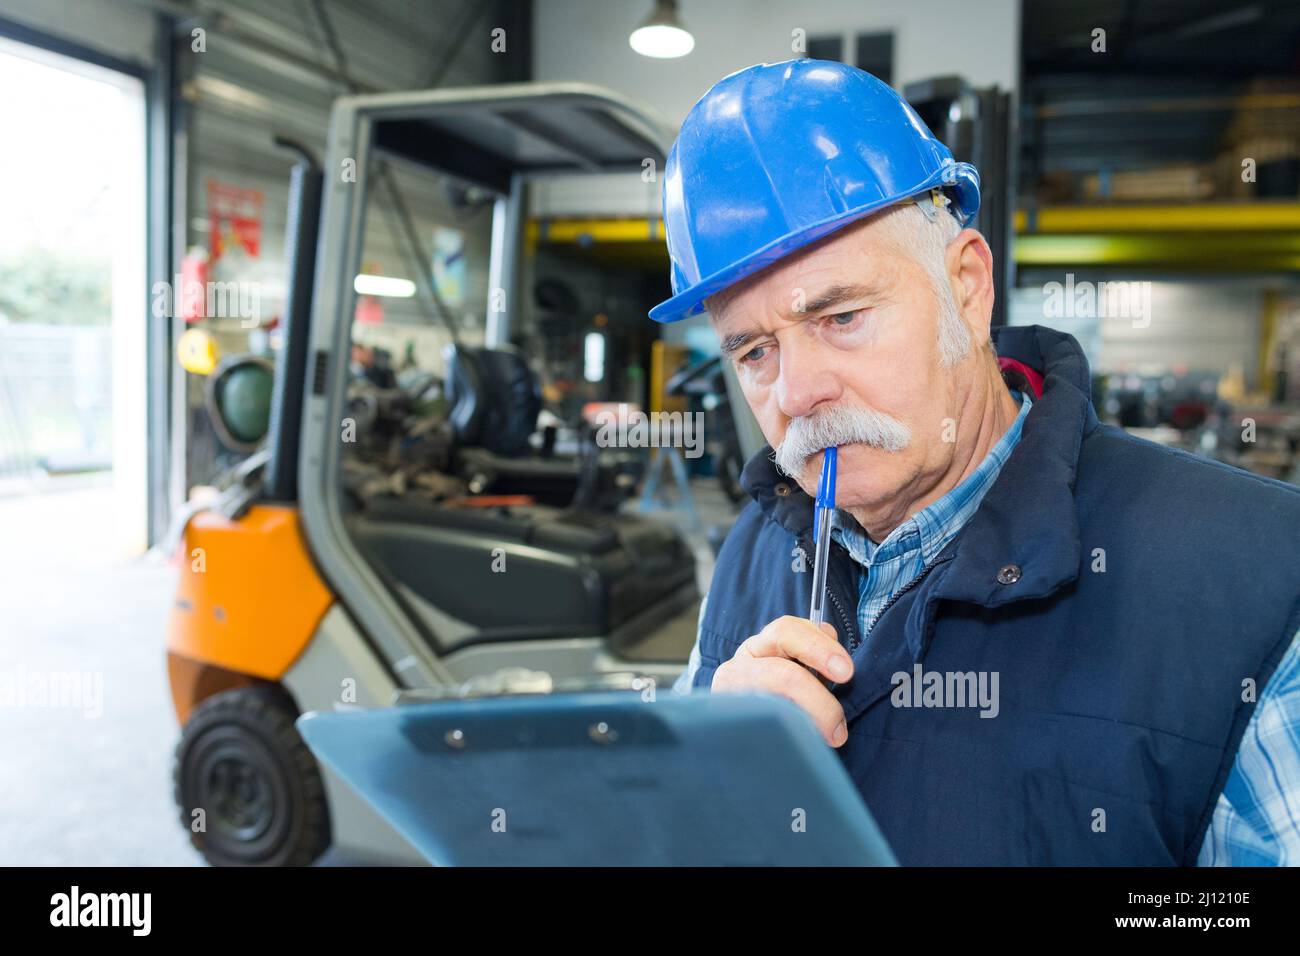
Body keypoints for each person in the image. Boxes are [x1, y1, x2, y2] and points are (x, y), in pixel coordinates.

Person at [652, 59, 1300, 866]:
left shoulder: (1256, 579)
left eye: (842, 316)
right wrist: (705, 795)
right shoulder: (750, 556)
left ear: (966, 285)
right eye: (753, 350)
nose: (798, 390)